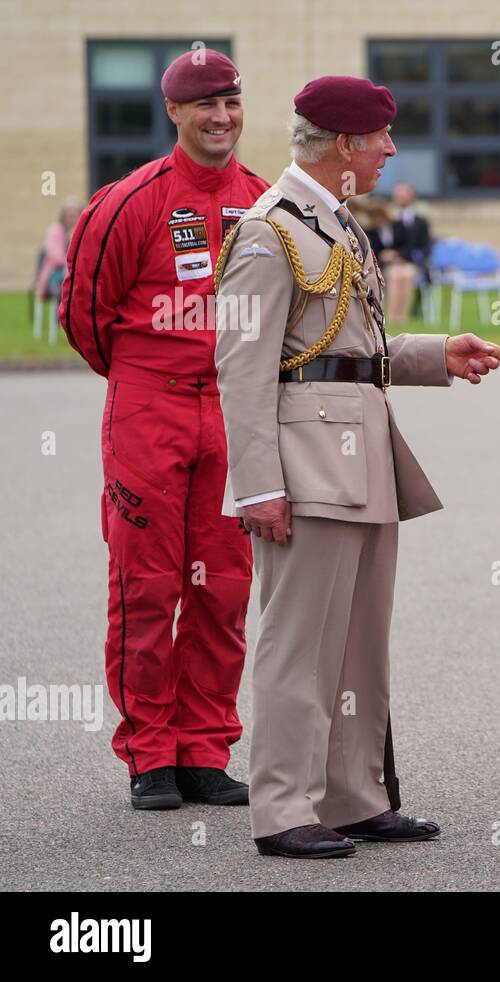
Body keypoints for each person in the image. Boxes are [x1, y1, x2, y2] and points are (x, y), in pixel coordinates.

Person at [213, 75, 500, 859]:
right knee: (297, 644)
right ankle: (282, 807)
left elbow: (347, 353)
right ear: (344, 145)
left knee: (356, 644)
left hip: (361, 453)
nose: (390, 150)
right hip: (304, 465)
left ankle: (351, 796)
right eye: (380, 138)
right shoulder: (267, 230)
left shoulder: (334, 220)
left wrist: (435, 355)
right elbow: (243, 370)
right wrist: (259, 485)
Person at [58, 49, 268, 811]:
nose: (221, 118)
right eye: (205, 104)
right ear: (174, 112)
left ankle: (205, 750)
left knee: (225, 588)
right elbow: (84, 318)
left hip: (235, 414)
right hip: (149, 406)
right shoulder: (127, 200)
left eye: (232, 103)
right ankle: (150, 753)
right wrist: (146, 381)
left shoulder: (265, 200)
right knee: (146, 586)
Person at [375, 181, 430, 323]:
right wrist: (390, 256)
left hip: (410, 262)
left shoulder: (421, 221)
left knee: (406, 274)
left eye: (404, 193)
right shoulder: (387, 219)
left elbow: (424, 246)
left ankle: (402, 316)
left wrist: (405, 257)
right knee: (394, 275)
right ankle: (392, 315)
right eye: (398, 193)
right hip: (389, 263)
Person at [37, 198, 82, 301]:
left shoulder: (80, 231)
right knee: (65, 284)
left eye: (75, 215)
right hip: (55, 272)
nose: (72, 218)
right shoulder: (55, 231)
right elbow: (56, 257)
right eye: (70, 215)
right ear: (63, 215)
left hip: (74, 272)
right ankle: (61, 315)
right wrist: (71, 265)